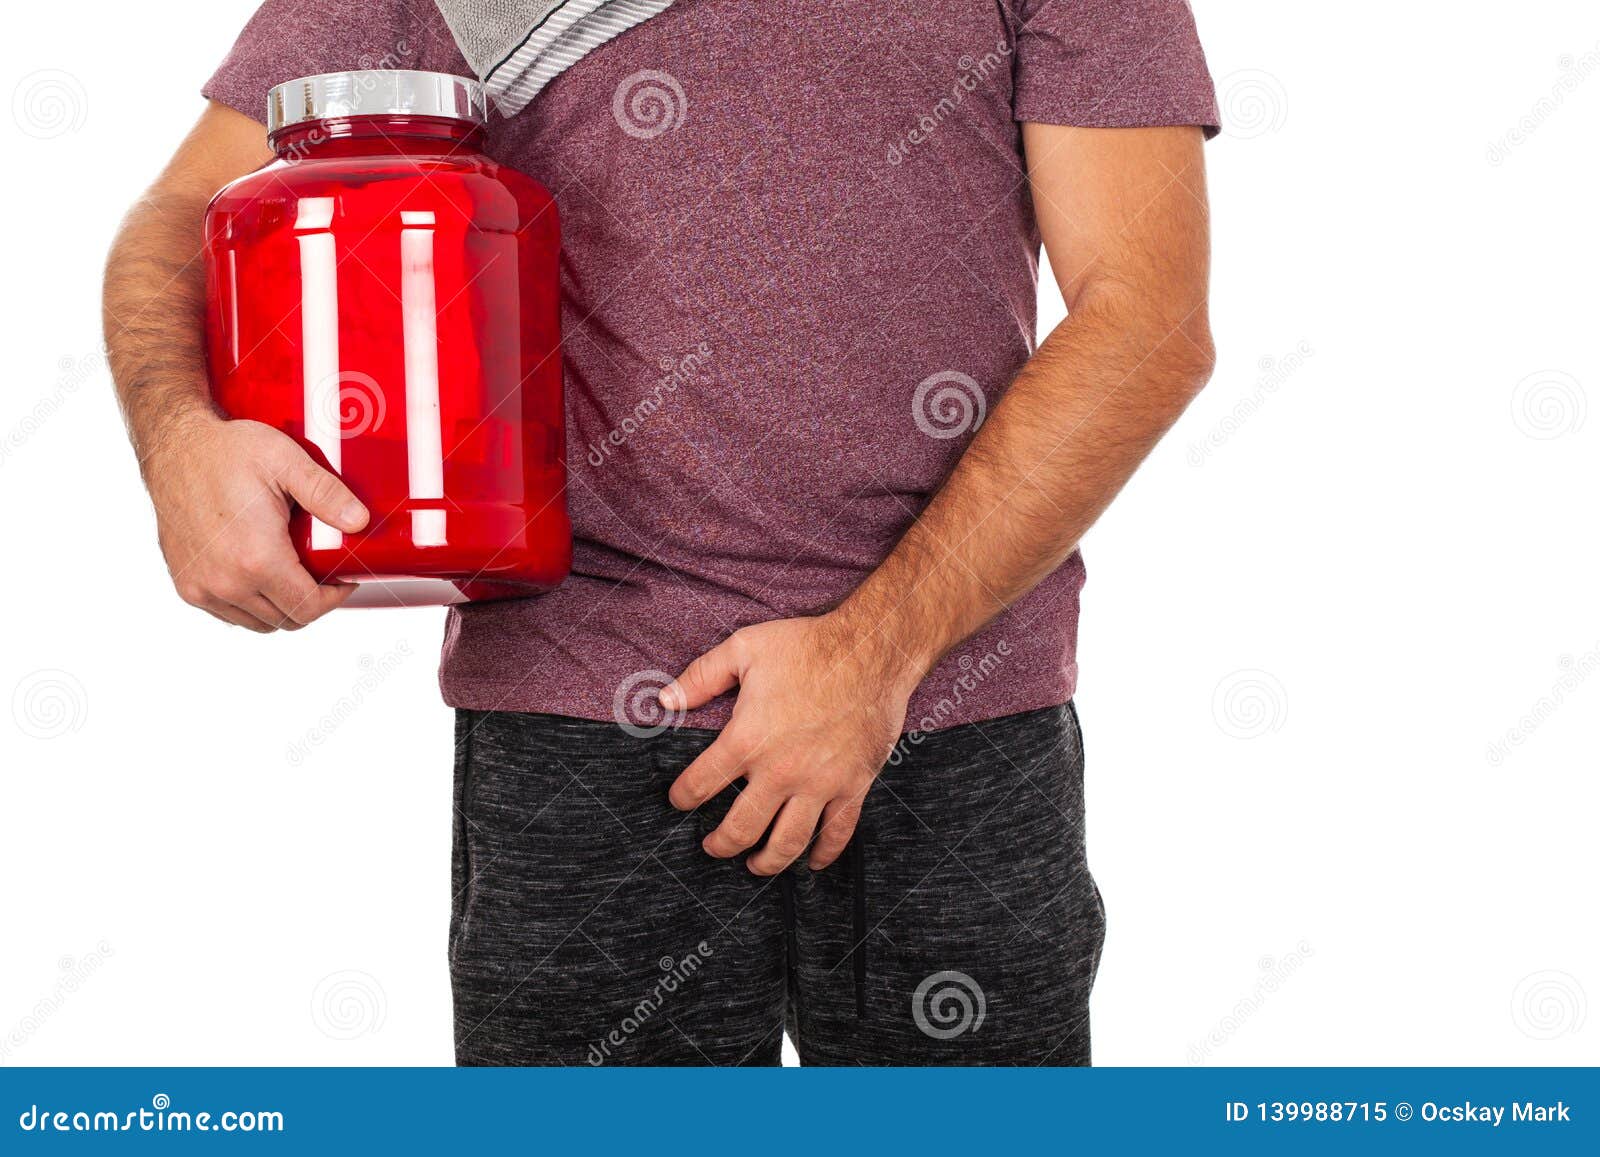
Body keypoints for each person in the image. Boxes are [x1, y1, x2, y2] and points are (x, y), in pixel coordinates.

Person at [104, 0, 1219, 1065]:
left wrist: (875, 649)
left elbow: (1145, 315)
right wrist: (178, 439)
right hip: (583, 711)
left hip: (953, 701)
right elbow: (182, 216)